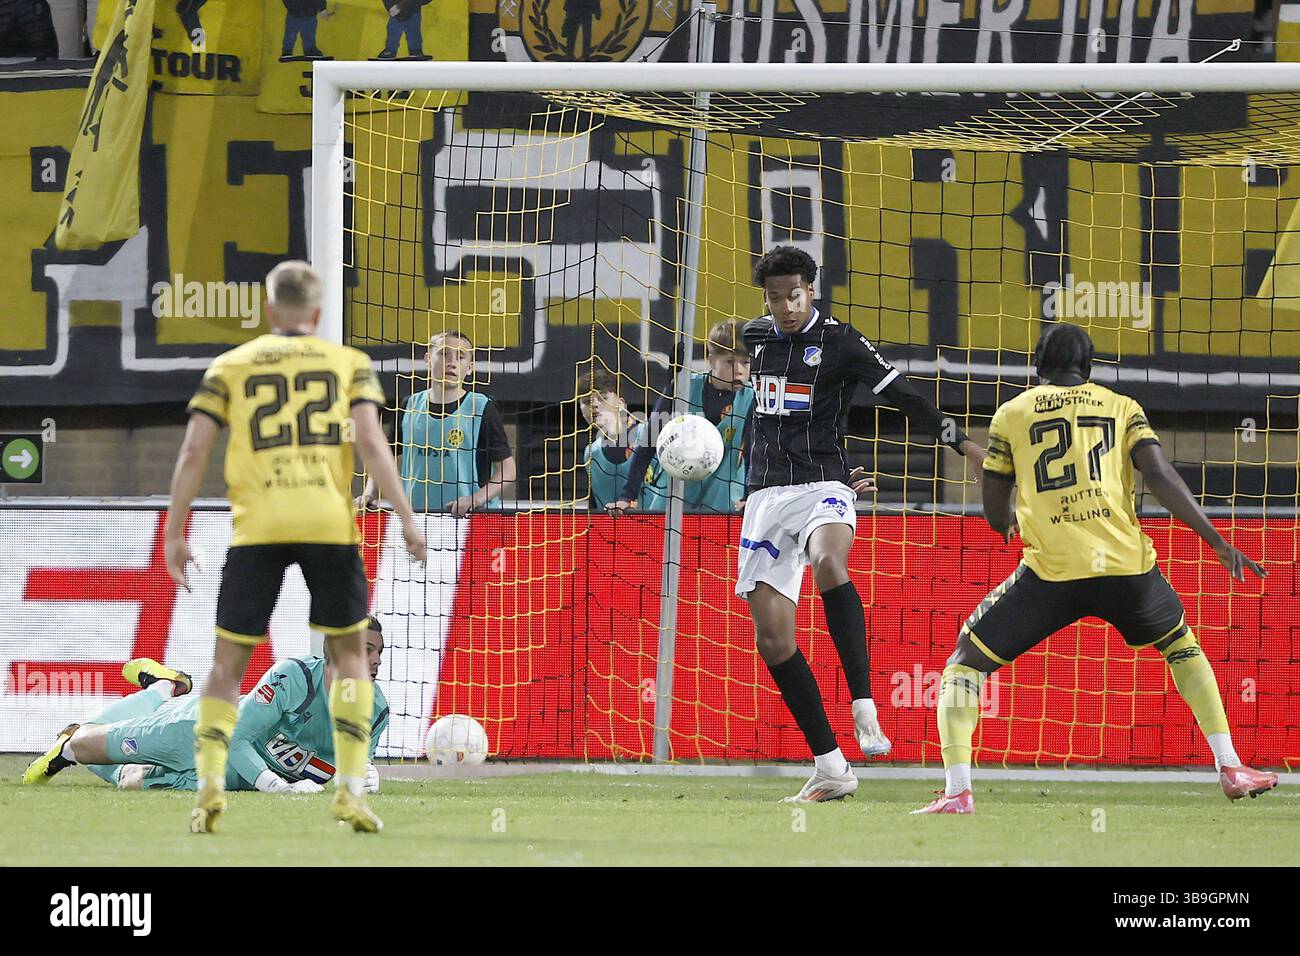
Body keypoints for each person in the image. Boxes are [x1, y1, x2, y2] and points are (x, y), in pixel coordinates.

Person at [914, 322, 1277, 813]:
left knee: (965, 664)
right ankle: (1230, 765)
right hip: (1126, 567)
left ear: (1038, 366)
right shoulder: (1122, 407)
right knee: (1180, 646)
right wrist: (1215, 540)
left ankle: (958, 792)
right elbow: (1161, 475)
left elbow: (995, 493)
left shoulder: (1011, 414)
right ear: (1088, 367)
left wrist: (1002, 523)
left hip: (1052, 573)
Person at [162, 260, 425, 834]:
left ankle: (208, 789)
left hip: (258, 527)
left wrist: (175, 531)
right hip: (328, 525)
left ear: (266, 309)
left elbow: (192, 452)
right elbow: (375, 447)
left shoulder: (229, 365)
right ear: (318, 313)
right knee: (353, 657)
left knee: (227, 666)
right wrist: (405, 517)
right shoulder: (347, 364)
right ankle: (352, 794)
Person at [737, 245, 985, 803]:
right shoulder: (755, 337)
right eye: (774, 298)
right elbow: (727, 362)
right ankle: (831, 767)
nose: (784, 307)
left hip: (826, 485)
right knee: (773, 641)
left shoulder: (842, 342)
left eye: (793, 295)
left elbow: (907, 399)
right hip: (765, 497)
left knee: (829, 561)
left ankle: (864, 704)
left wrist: (966, 445)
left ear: (812, 289)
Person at [22, 620, 389, 796]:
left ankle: (162, 685)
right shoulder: (293, 678)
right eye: (366, 650)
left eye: (378, 652)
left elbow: (350, 763)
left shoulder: (376, 711)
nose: (375, 661)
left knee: (128, 780)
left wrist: (363, 774)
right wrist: (276, 787)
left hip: (229, 778)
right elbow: (237, 737)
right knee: (88, 747)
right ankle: (72, 743)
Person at [358, 331, 515, 517]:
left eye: (460, 357)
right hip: (417, 519)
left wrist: (476, 499)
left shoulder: (482, 408)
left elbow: (508, 469)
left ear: (470, 367)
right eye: (444, 353)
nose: (452, 362)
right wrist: (369, 491)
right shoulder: (408, 406)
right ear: (428, 359)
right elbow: (384, 457)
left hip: (470, 520)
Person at [607, 320, 754, 515]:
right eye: (730, 361)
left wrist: (750, 496)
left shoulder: (752, 397)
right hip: (674, 499)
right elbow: (647, 443)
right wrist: (627, 496)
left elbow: (755, 454)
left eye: (745, 362)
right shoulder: (681, 388)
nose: (739, 370)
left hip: (723, 503)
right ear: (711, 359)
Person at [578, 367, 667, 512]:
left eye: (603, 398)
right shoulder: (590, 454)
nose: (594, 405)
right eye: (587, 401)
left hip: (656, 529)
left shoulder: (651, 435)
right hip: (613, 533)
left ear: (620, 403)